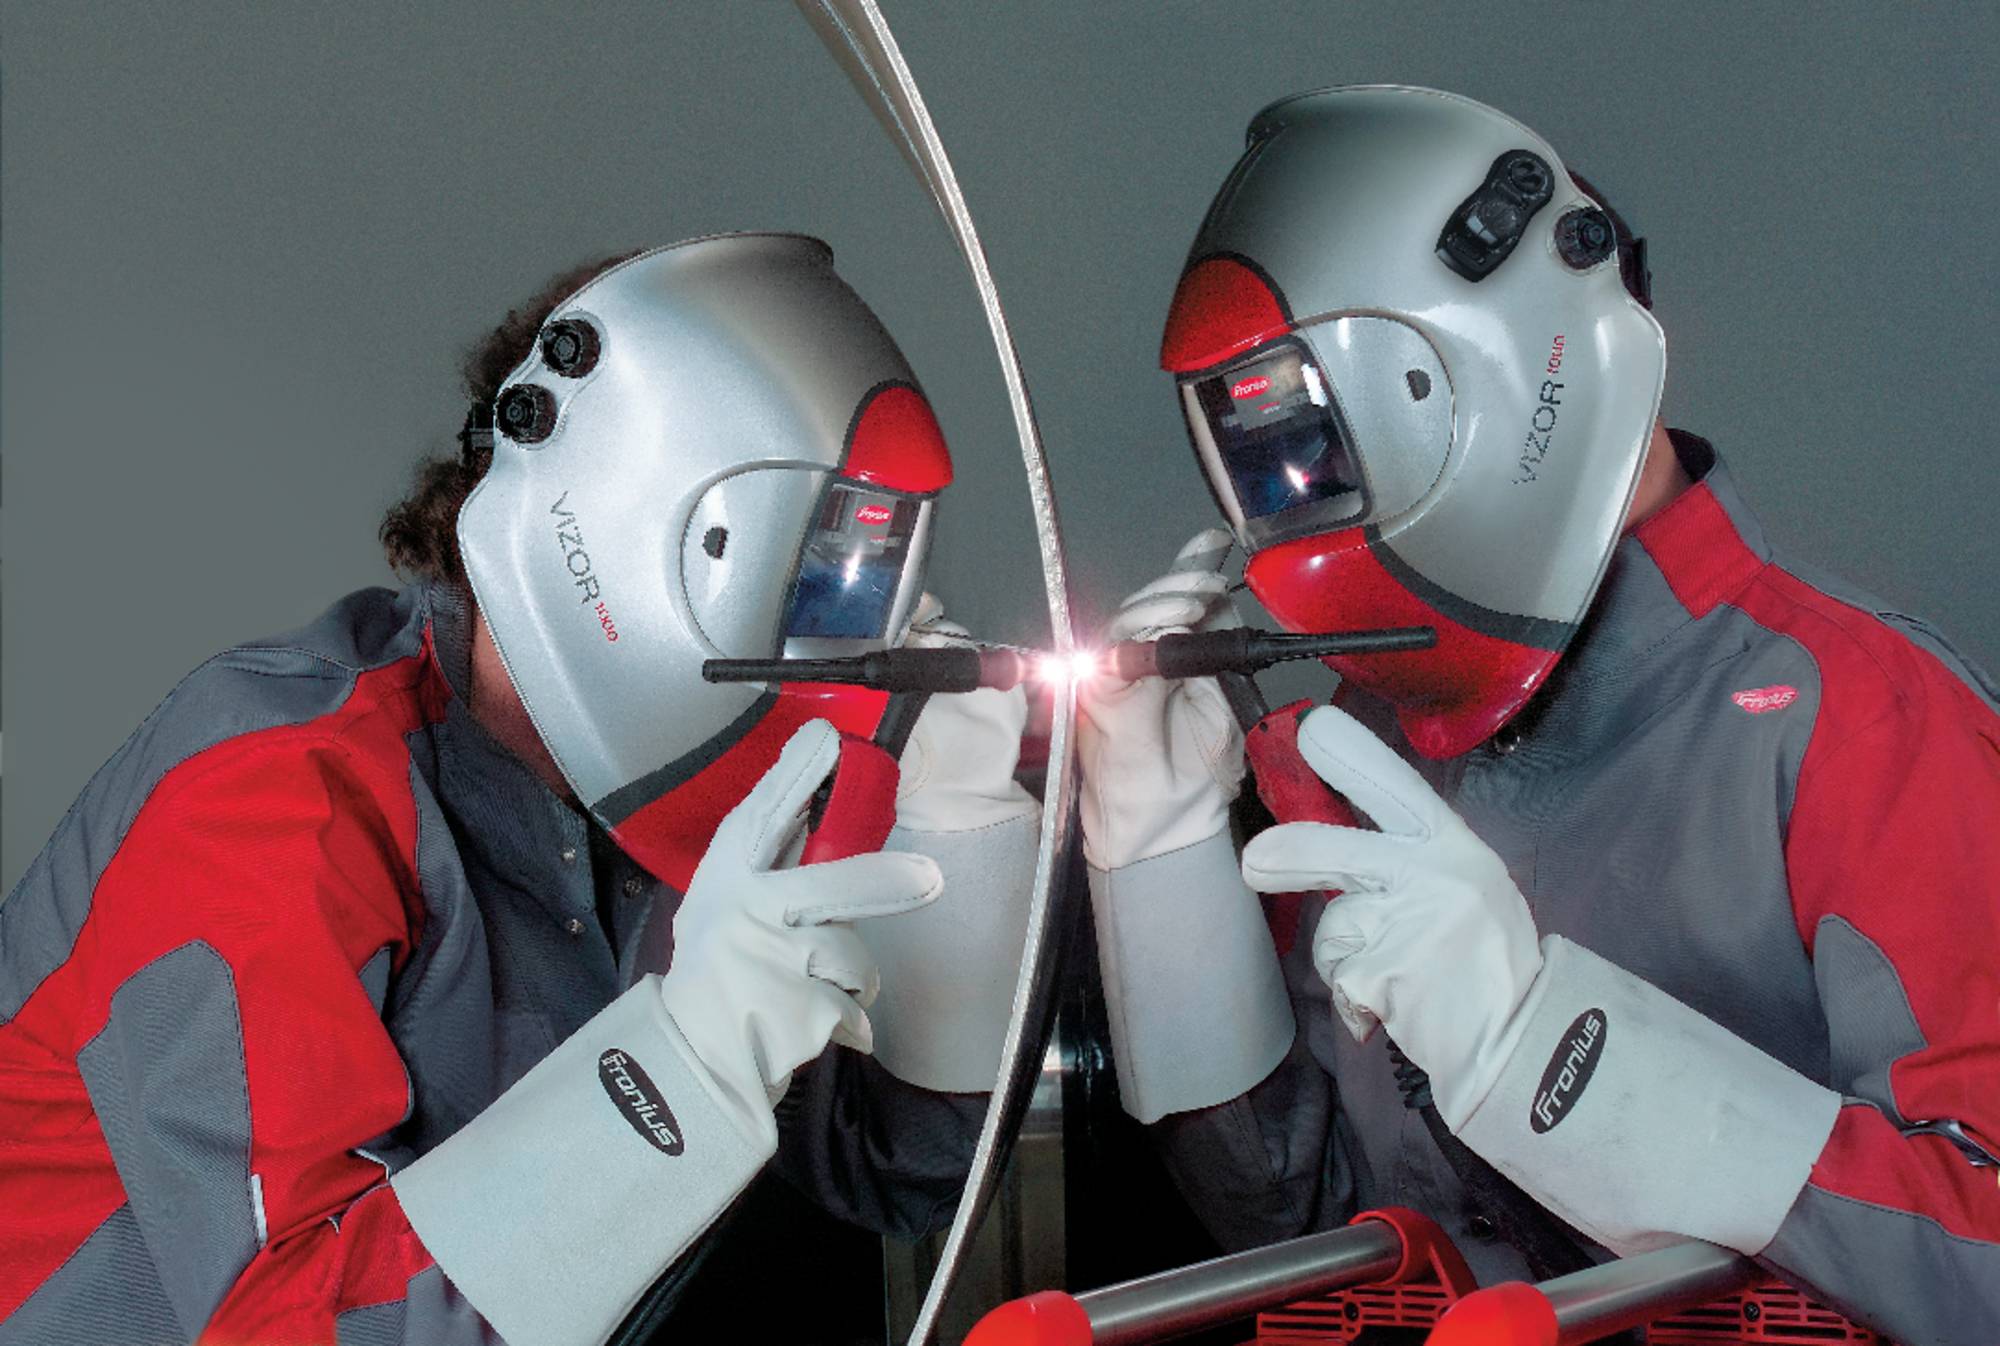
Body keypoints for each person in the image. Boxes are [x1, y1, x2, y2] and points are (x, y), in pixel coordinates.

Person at [1079, 86, 1999, 1344]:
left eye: (1321, 447)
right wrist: (1159, 868)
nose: (1301, 504)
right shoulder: (1373, 737)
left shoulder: (1866, 722)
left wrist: (1552, 1054)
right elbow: (1303, 1229)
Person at [0, 234, 1041, 1345]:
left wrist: (965, 839)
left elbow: (906, 1176)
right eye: (804, 583)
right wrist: (683, 1065)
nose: (827, 651)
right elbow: (292, 1329)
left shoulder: (678, 798)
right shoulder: (276, 789)